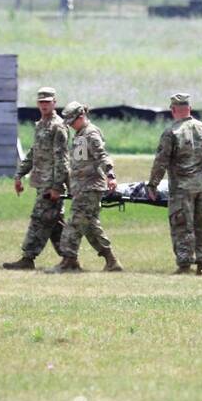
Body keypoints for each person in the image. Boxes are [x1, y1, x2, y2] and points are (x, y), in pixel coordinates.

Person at [3, 86, 70, 270]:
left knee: (39, 218)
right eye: (41, 102)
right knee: (54, 223)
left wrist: (57, 187)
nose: (44, 105)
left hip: (51, 184)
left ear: (54, 103)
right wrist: (19, 174)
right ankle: (70, 258)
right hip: (41, 181)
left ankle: (28, 258)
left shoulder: (58, 127)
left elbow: (62, 159)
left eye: (47, 102)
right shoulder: (41, 124)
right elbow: (34, 153)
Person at [48, 102, 120, 273]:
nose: (71, 125)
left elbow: (103, 156)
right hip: (82, 187)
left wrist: (111, 175)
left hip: (91, 187)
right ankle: (111, 261)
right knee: (89, 226)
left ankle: (69, 261)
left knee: (73, 223)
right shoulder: (81, 133)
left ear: (81, 116)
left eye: (73, 121)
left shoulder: (91, 133)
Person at [148, 92, 202, 274]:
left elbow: (161, 161)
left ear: (173, 110)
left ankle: (184, 264)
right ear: (189, 108)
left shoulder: (172, 132)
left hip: (181, 187)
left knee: (182, 226)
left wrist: (152, 185)